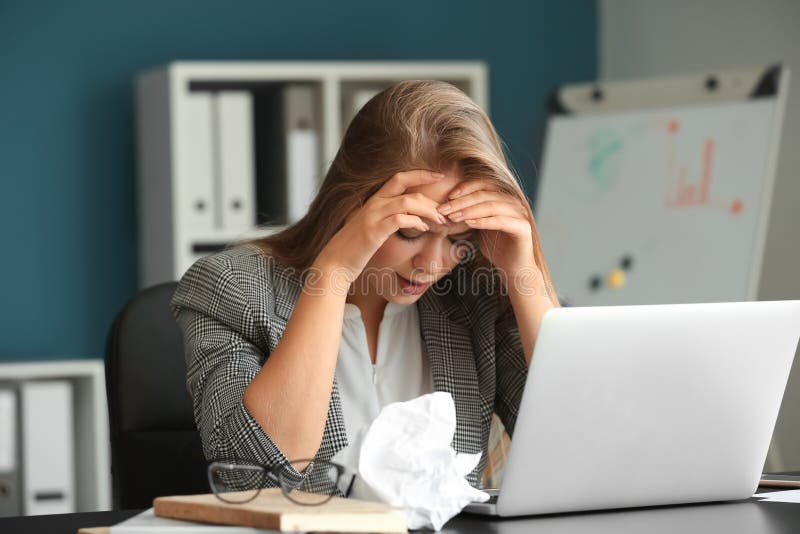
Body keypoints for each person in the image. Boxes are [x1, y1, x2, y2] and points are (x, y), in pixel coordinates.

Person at [170, 80, 559, 497]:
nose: (432, 265)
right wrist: (334, 272)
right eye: (410, 231)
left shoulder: (475, 297)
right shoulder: (234, 289)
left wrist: (525, 273)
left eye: (457, 238)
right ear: (352, 203)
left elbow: (570, 447)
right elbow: (254, 477)